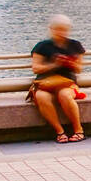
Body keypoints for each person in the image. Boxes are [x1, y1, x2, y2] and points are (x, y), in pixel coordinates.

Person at [30, 15, 85, 143]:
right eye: (58, 29)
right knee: (41, 97)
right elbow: (36, 68)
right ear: (51, 29)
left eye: (64, 29)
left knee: (65, 95)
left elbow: (79, 69)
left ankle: (78, 130)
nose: (61, 32)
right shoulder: (42, 46)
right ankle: (59, 132)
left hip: (66, 82)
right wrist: (54, 64)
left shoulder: (75, 45)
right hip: (45, 83)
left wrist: (70, 63)